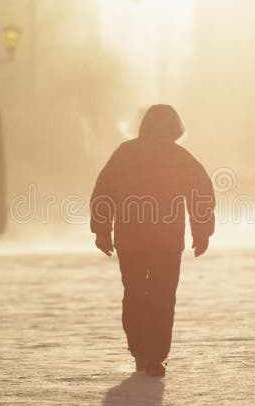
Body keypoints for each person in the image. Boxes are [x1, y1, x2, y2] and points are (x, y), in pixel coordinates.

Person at [90, 104, 215, 377]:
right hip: (167, 243)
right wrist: (201, 231)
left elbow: (104, 191)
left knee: (134, 294)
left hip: (131, 240)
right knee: (162, 296)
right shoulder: (180, 157)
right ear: (175, 128)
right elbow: (201, 194)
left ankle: (140, 351)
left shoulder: (125, 154)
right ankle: (156, 357)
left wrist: (102, 230)